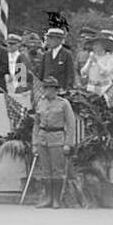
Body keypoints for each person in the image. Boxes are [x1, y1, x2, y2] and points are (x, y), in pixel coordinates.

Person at [32, 76, 77, 208]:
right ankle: (47, 198)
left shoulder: (63, 103)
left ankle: (56, 199)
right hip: (42, 138)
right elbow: (36, 124)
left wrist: (68, 143)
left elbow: (71, 124)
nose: (46, 90)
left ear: (55, 89)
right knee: (45, 170)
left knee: (57, 170)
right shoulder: (40, 103)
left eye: (49, 88)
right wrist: (35, 143)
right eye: (45, 87)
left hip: (57, 138)